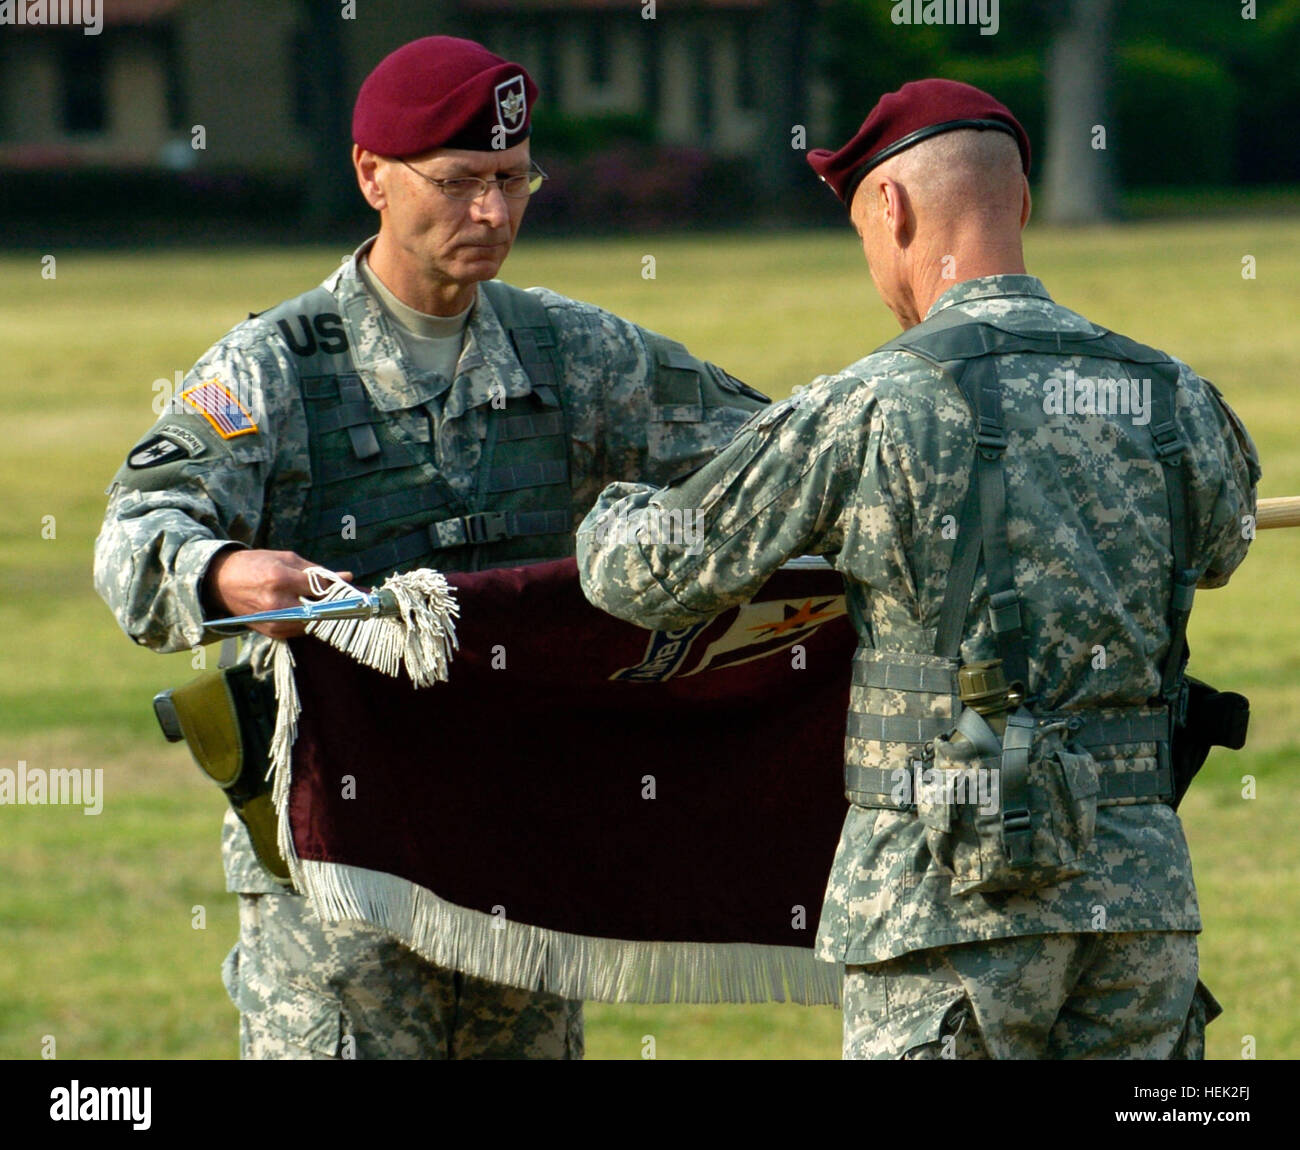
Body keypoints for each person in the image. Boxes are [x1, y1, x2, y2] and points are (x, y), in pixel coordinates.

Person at [93, 35, 767, 1060]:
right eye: (458, 183)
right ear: (371, 174)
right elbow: (135, 537)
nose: (493, 214)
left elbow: (766, 458)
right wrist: (228, 571)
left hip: (523, 858)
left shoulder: (572, 351)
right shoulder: (277, 366)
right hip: (339, 886)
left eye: (512, 179)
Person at [577, 79, 1261, 1059]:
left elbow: (651, 573)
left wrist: (609, 512)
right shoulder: (1170, 395)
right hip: (1138, 910)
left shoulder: (872, 407)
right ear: (1020, 204)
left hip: (945, 909)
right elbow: (1224, 544)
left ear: (888, 209)